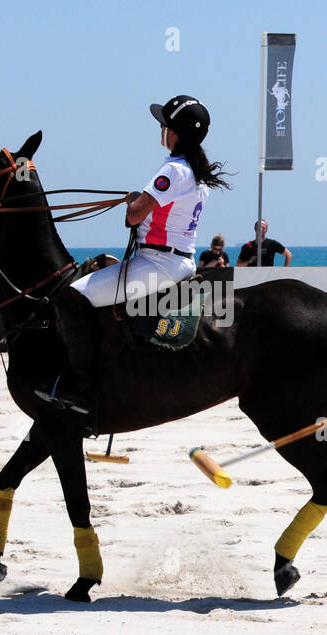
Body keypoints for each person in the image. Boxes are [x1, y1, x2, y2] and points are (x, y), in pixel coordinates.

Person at [37, 95, 229, 416]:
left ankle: (79, 389)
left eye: (164, 125)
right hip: (177, 261)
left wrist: (132, 203)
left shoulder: (174, 169)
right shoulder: (196, 173)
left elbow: (135, 215)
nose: (162, 130)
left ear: (174, 132)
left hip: (157, 264)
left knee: (72, 297)